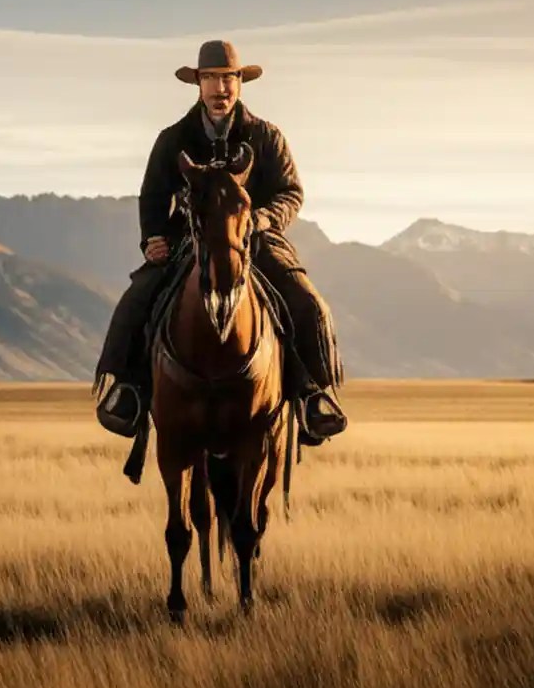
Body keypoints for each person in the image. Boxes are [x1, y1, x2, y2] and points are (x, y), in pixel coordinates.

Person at [94, 39, 347, 445]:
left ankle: (313, 394)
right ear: (198, 84)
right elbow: (153, 195)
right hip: (187, 243)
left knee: (306, 301)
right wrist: (153, 238)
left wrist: (262, 219)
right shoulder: (173, 138)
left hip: (257, 239)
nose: (220, 88)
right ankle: (129, 390)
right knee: (137, 298)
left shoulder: (267, 136)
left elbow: (290, 193)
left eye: (228, 78)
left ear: (239, 83)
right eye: (210, 78)